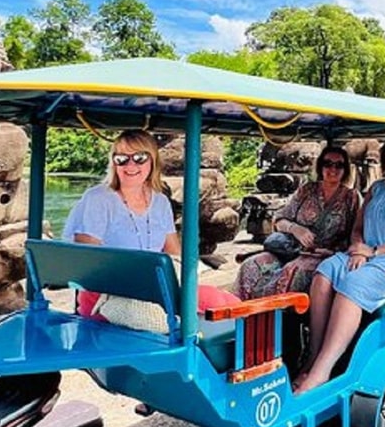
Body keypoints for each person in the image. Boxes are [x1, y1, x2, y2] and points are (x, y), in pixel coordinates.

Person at [293, 129, 385, 394]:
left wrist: (373, 251)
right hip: (366, 253)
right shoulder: (376, 188)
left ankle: (321, 371)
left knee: (352, 284)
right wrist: (359, 247)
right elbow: (358, 227)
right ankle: (313, 354)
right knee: (324, 273)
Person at [63, 130, 234, 319]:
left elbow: (174, 254)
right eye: (122, 159)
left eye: (139, 158)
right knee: (204, 305)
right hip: (107, 297)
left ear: (152, 161)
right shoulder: (98, 198)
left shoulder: (160, 202)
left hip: (153, 289)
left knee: (223, 300)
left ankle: (251, 344)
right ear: (114, 163)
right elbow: (87, 259)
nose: (130, 165)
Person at [235, 146, 361, 299]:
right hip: (290, 250)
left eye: (338, 165)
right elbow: (279, 219)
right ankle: (243, 317)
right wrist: (296, 229)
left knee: (293, 273)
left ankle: (280, 319)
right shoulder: (306, 190)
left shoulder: (351, 198)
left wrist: (334, 252)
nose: (332, 169)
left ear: (346, 169)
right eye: (327, 163)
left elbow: (357, 234)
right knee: (250, 266)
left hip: (324, 257)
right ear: (320, 166)